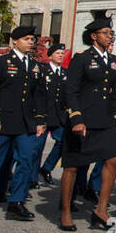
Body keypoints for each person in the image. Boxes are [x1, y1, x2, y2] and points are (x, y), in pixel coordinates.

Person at [58, 19, 116, 232]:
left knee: (113, 158)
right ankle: (66, 210)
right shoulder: (82, 59)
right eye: (106, 33)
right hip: (84, 120)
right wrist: (76, 118)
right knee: (72, 166)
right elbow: (71, 90)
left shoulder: (115, 62)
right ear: (94, 36)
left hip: (105, 121)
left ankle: (101, 209)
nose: (110, 36)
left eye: (111, 33)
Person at [0, 25, 48, 222]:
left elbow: (39, 95)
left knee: (27, 160)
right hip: (3, 122)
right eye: (26, 39)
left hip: (25, 123)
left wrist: (40, 120)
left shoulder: (35, 66)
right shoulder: (0, 62)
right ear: (14, 41)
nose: (31, 42)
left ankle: (16, 201)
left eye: (32, 39)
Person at [35, 42, 70, 188]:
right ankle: (32, 177)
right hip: (43, 114)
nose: (60, 56)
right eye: (57, 54)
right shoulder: (43, 71)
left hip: (58, 115)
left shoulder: (65, 73)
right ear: (50, 56)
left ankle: (47, 168)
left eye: (62, 54)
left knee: (62, 142)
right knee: (37, 147)